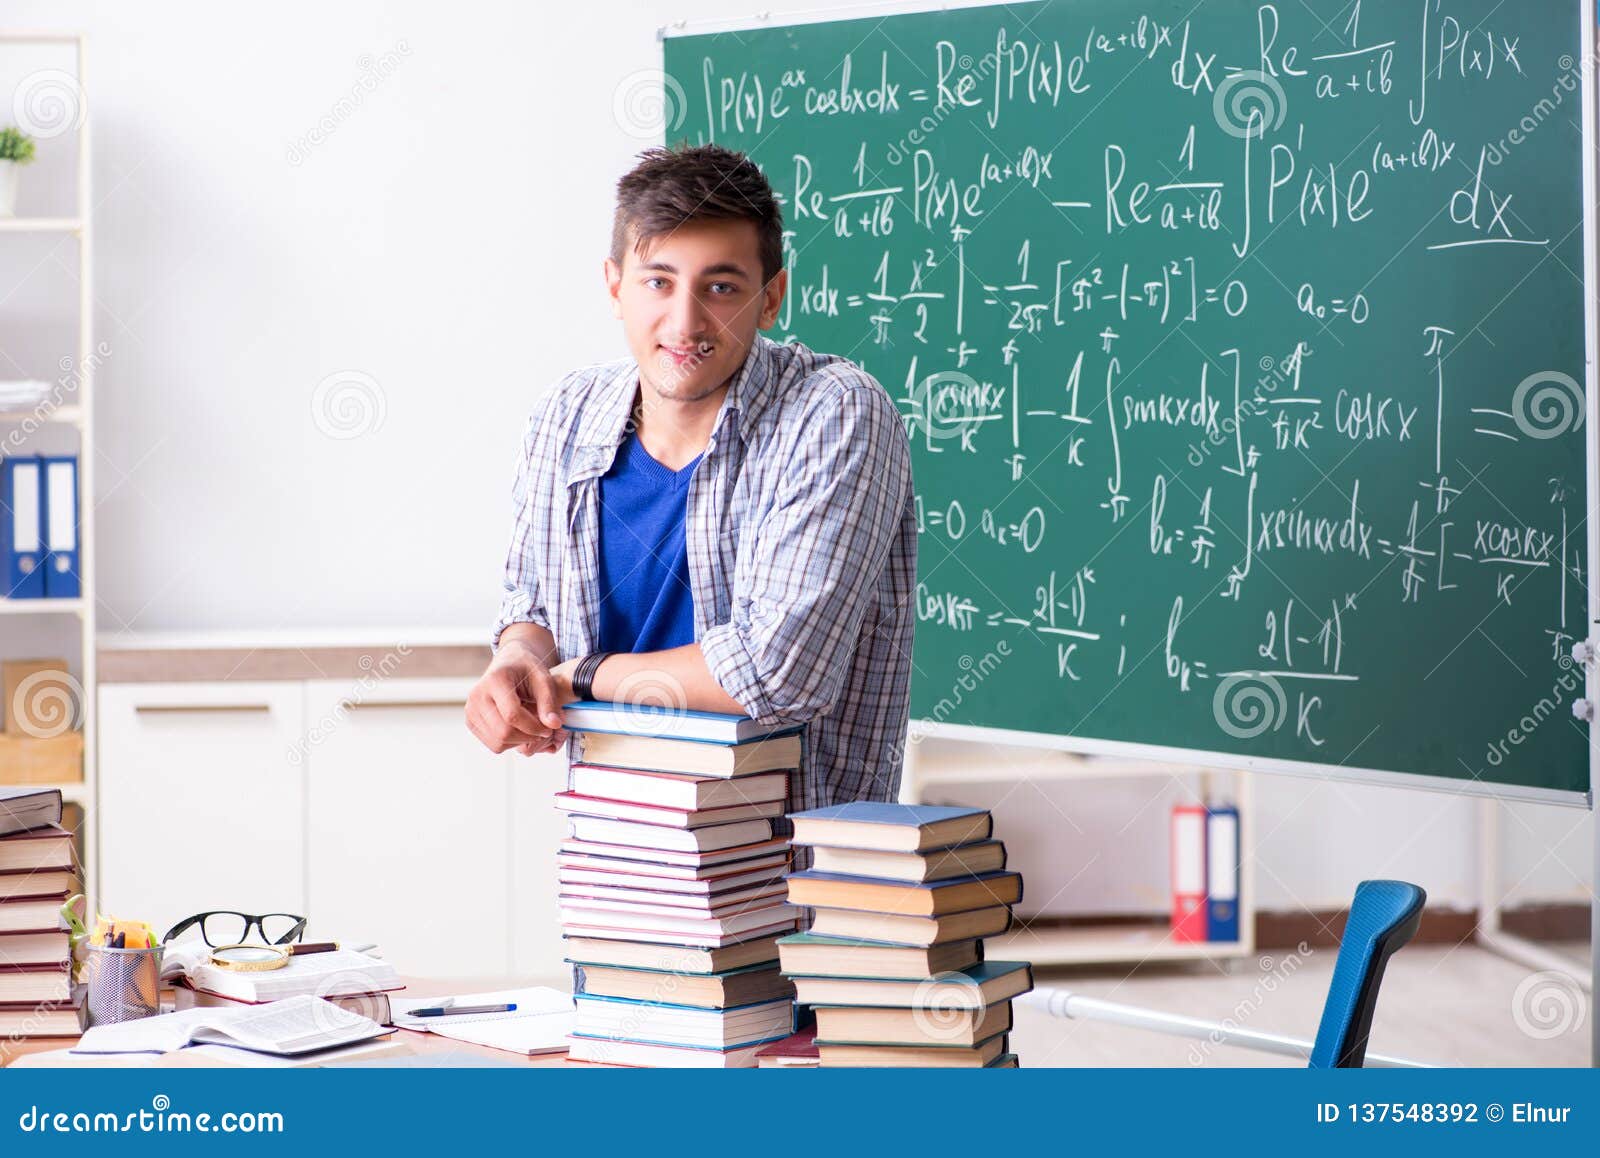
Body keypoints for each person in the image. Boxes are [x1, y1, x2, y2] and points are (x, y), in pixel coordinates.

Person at [465, 142, 916, 815]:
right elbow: (531, 607)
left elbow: (777, 673)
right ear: (615, 287)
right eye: (659, 282)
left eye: (721, 287)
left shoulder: (835, 413)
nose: (685, 322)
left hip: (794, 858)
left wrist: (580, 674)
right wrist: (517, 660)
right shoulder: (566, 416)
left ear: (771, 298)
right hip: (613, 842)